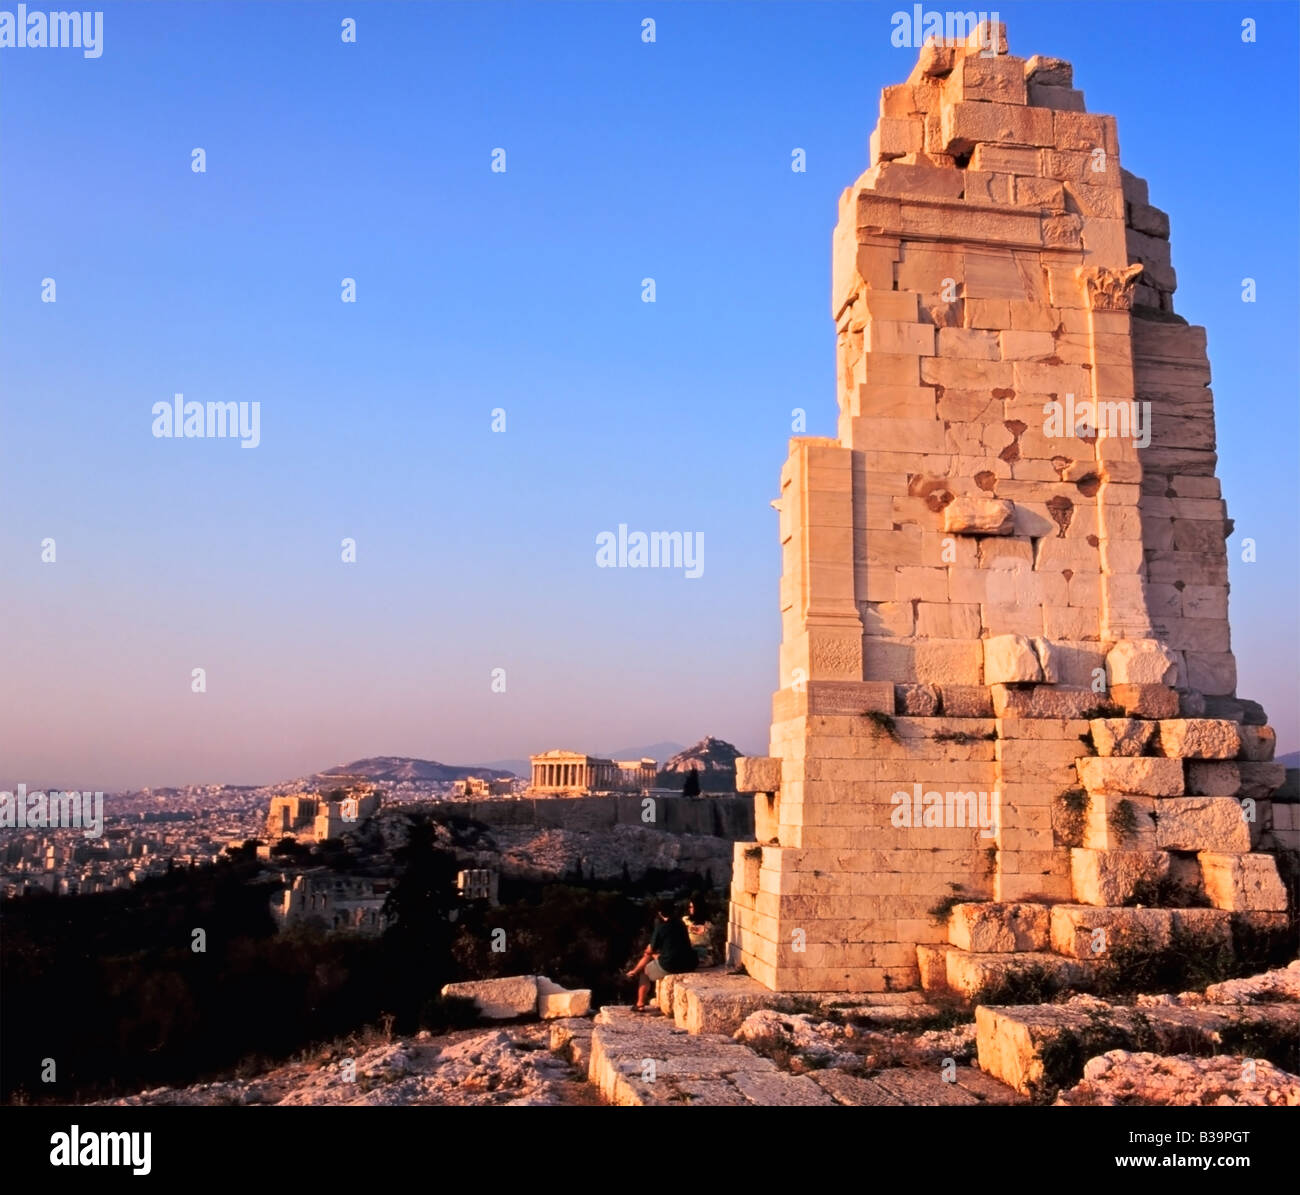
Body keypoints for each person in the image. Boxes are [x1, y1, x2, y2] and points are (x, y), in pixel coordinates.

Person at [626, 899, 697, 1011]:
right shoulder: (681, 924)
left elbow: (650, 949)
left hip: (671, 964)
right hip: (688, 962)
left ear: (660, 913)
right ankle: (634, 971)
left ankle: (639, 1003)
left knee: (645, 972)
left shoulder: (661, 927)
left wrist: (649, 950)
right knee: (655, 955)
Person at [683, 891, 714, 967]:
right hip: (689, 952)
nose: (690, 909)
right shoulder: (685, 921)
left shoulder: (709, 925)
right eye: (690, 907)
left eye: (692, 907)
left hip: (704, 954)